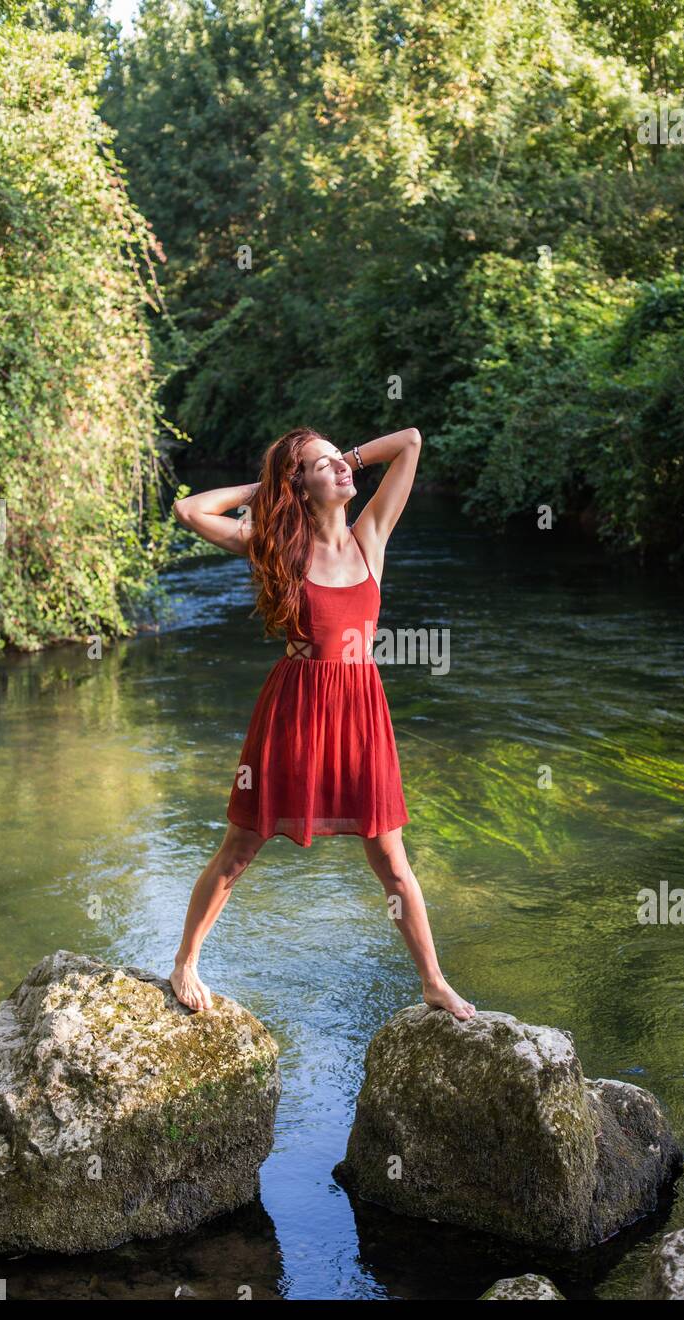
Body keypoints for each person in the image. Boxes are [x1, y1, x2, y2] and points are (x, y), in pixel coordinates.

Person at [170, 426, 475, 1022]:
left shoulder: (372, 536)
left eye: (340, 460)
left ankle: (434, 982)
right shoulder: (277, 546)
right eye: (320, 465)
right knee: (240, 846)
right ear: (300, 486)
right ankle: (185, 962)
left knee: (391, 857)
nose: (339, 469)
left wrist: (343, 458)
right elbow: (190, 509)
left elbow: (410, 441)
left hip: (362, 710)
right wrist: (271, 488)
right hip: (295, 709)